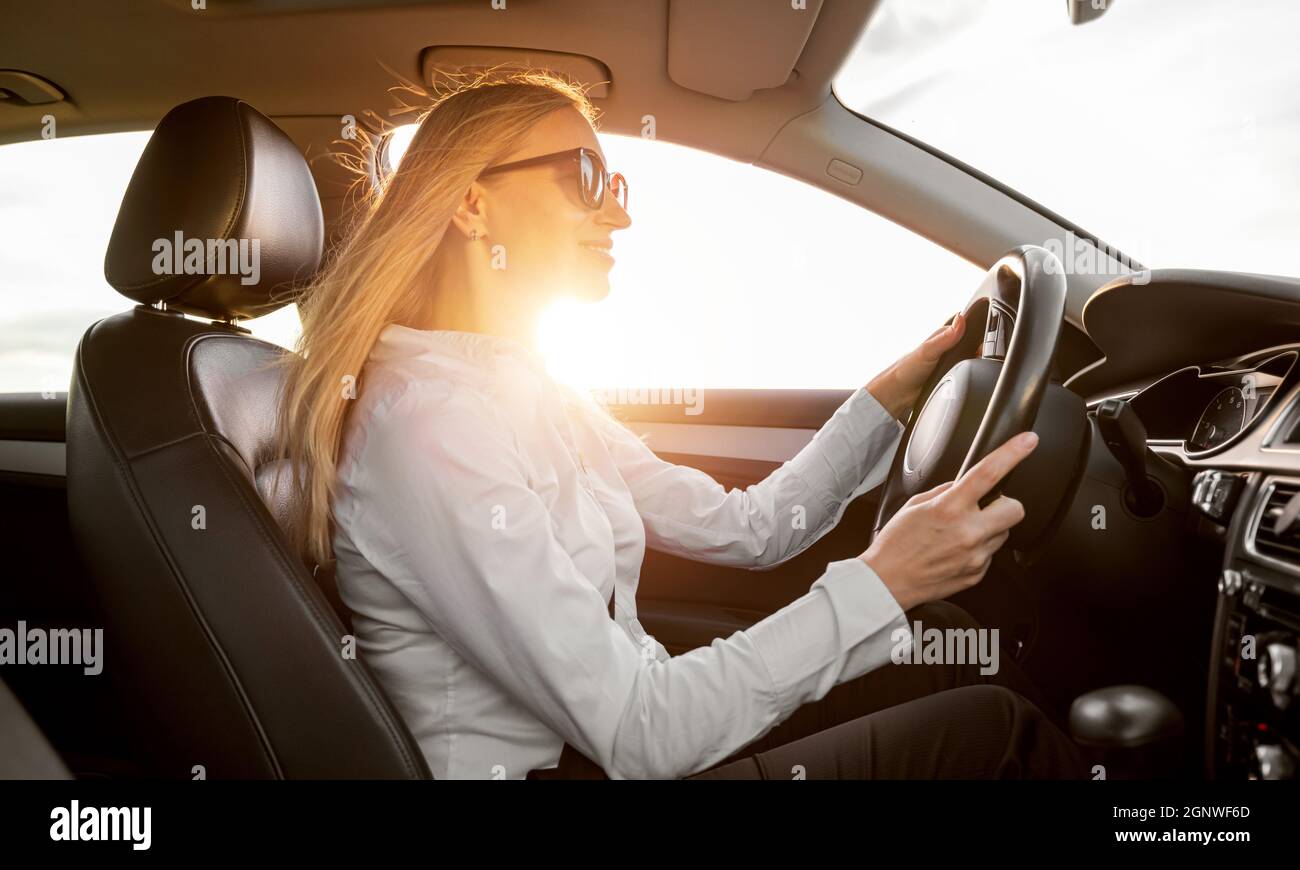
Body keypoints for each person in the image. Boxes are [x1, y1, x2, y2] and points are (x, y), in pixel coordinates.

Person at [270, 70, 1086, 780]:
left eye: (615, 188)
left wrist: (885, 402)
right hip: (577, 770)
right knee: (998, 739)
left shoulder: (524, 387)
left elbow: (749, 529)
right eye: (585, 178)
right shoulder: (430, 428)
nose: (616, 218)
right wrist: (883, 578)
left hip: (614, 745)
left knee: (932, 654)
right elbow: (640, 733)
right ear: (474, 205)